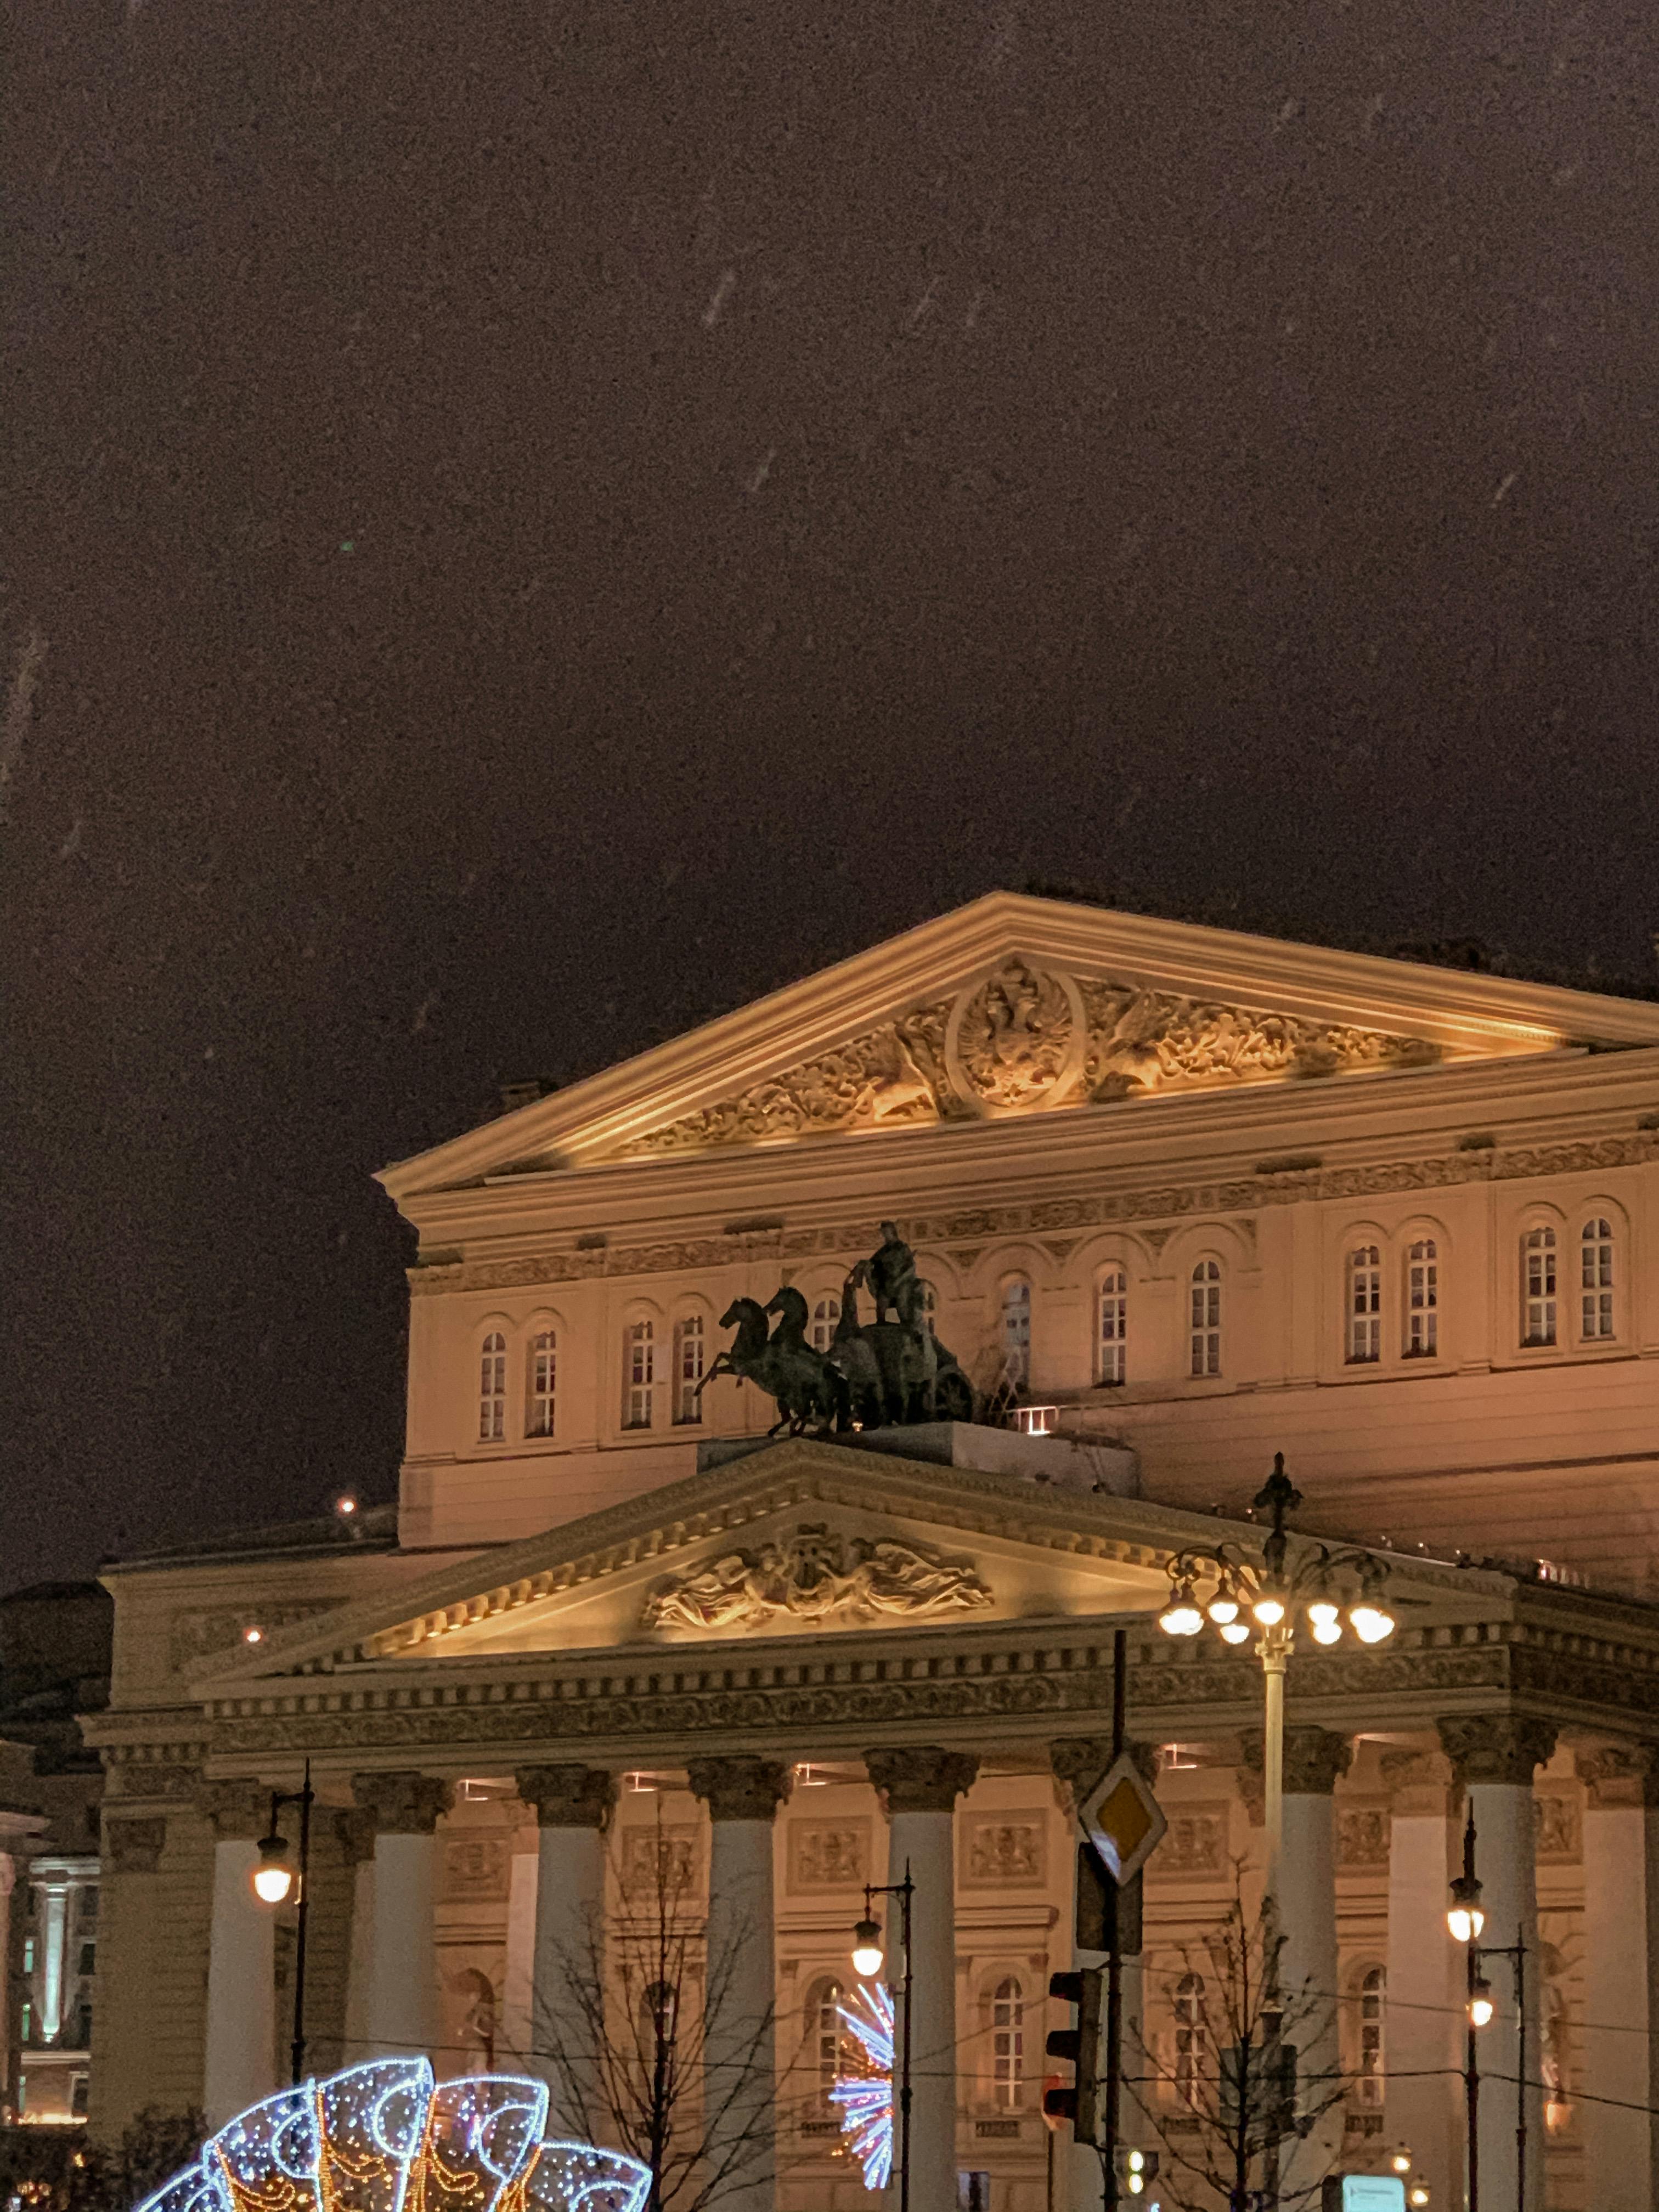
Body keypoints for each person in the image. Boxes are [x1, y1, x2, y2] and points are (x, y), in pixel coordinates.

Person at [865, 1220, 918, 1324]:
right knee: (882, 1303)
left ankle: (906, 1325)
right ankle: (881, 1325)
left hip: (901, 1282)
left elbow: (911, 1267)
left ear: (892, 1232)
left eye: (886, 1232)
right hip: (887, 1285)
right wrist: (866, 1267)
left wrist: (900, 1280)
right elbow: (872, 1262)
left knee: (902, 1304)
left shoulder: (902, 1248)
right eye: (883, 1233)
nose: (884, 1235)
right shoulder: (884, 1251)